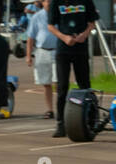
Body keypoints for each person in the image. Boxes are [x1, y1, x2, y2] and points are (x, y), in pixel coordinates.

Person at [48, 0, 95, 137]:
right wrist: (64, 37)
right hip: (63, 49)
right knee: (62, 87)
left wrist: (83, 35)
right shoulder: (56, 3)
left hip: (80, 49)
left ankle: (90, 119)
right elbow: (51, 26)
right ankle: (61, 123)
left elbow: (92, 23)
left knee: (84, 85)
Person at [25, 0, 55, 119]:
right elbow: (30, 37)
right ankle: (50, 109)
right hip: (41, 51)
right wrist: (28, 55)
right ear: (42, 3)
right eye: (46, 1)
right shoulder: (37, 17)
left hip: (57, 51)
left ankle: (62, 107)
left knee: (59, 82)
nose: (49, 3)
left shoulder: (58, 14)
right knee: (46, 83)